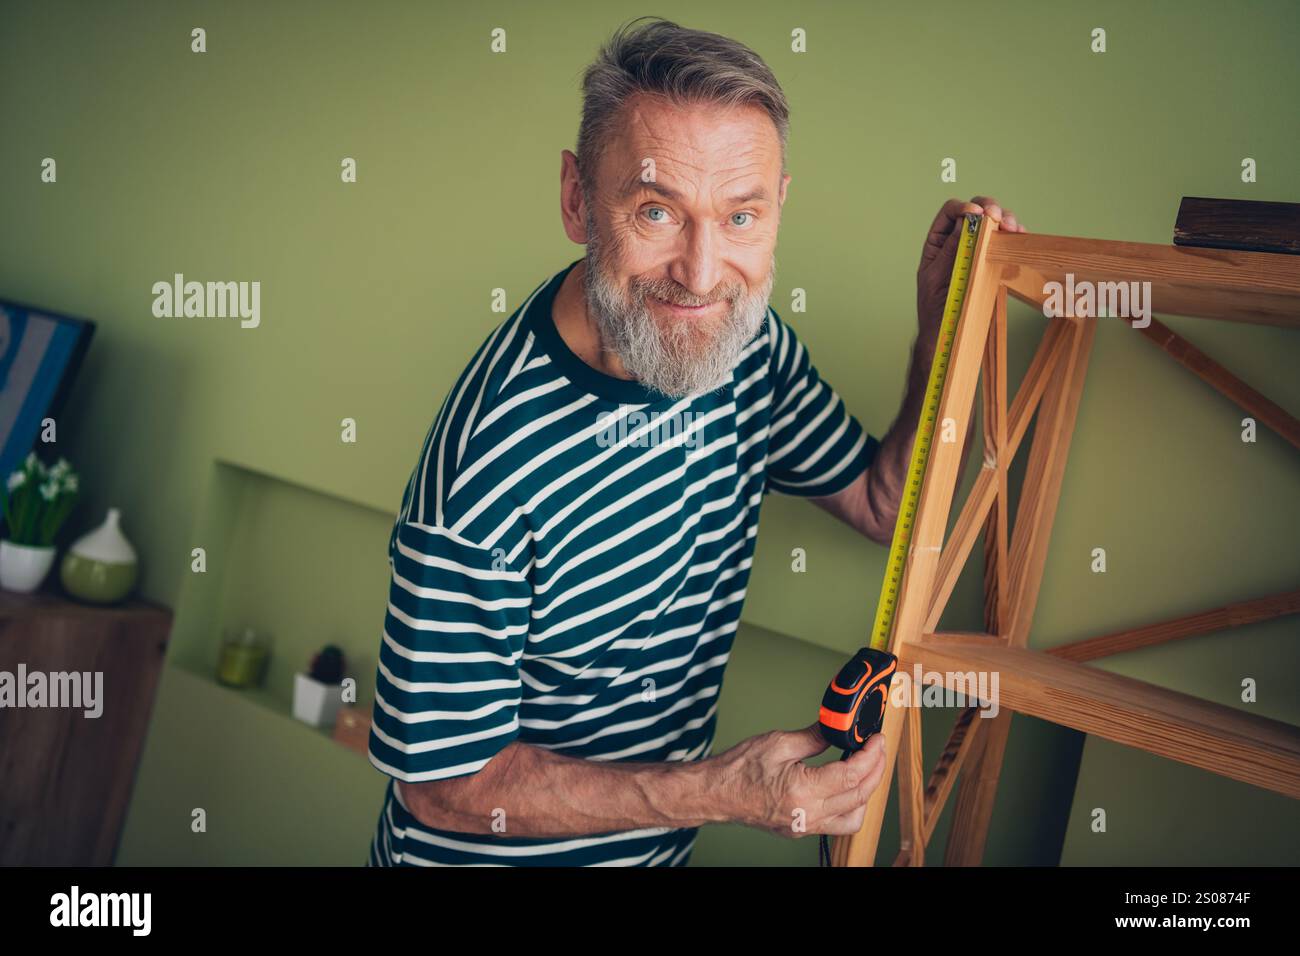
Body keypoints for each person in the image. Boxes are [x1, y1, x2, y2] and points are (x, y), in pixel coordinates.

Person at [366, 16, 1024, 866]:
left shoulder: (742, 345)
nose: (703, 273)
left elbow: (882, 499)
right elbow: (440, 783)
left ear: (779, 203)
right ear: (576, 199)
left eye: (740, 217)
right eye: (656, 211)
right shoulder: (487, 470)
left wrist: (941, 330)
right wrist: (720, 791)